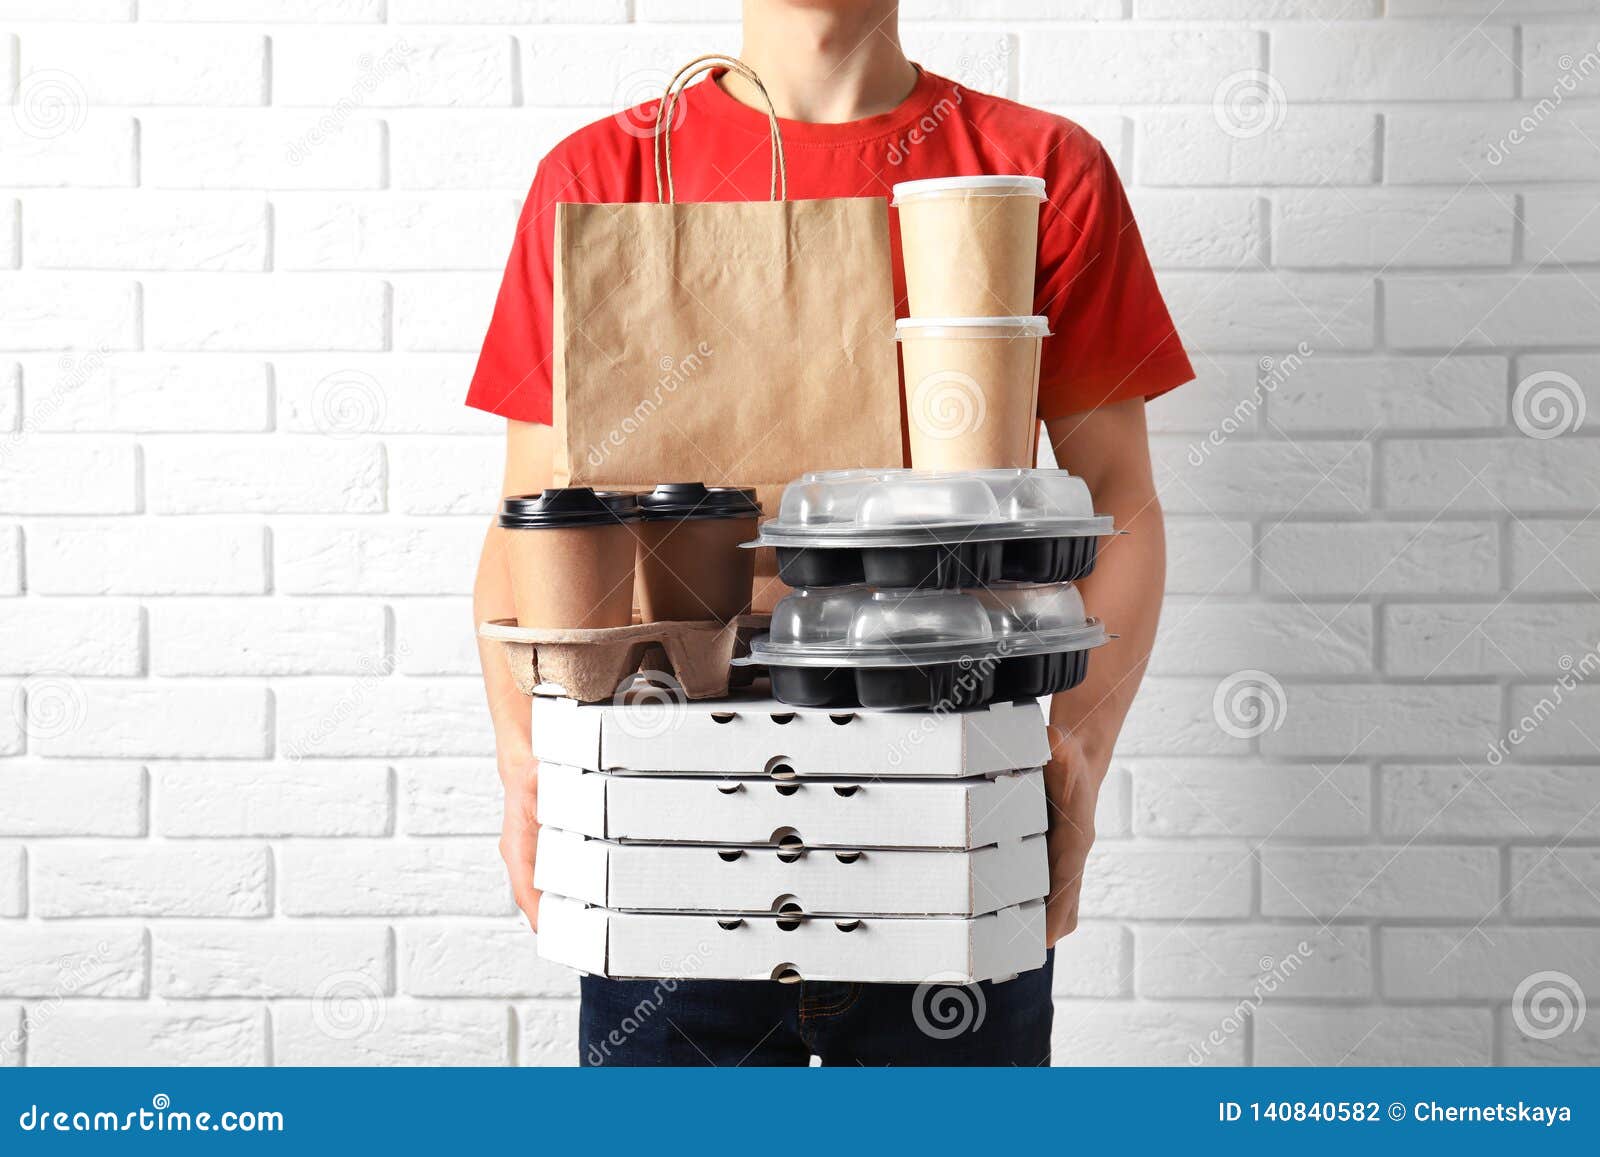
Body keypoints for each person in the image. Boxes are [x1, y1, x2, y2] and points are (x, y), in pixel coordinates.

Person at [468, 0, 1191, 1067]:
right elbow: (532, 515)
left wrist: (1074, 747)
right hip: (666, 826)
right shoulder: (601, 179)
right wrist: (525, 763)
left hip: (948, 830)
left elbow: (1118, 502)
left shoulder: (1034, 172)